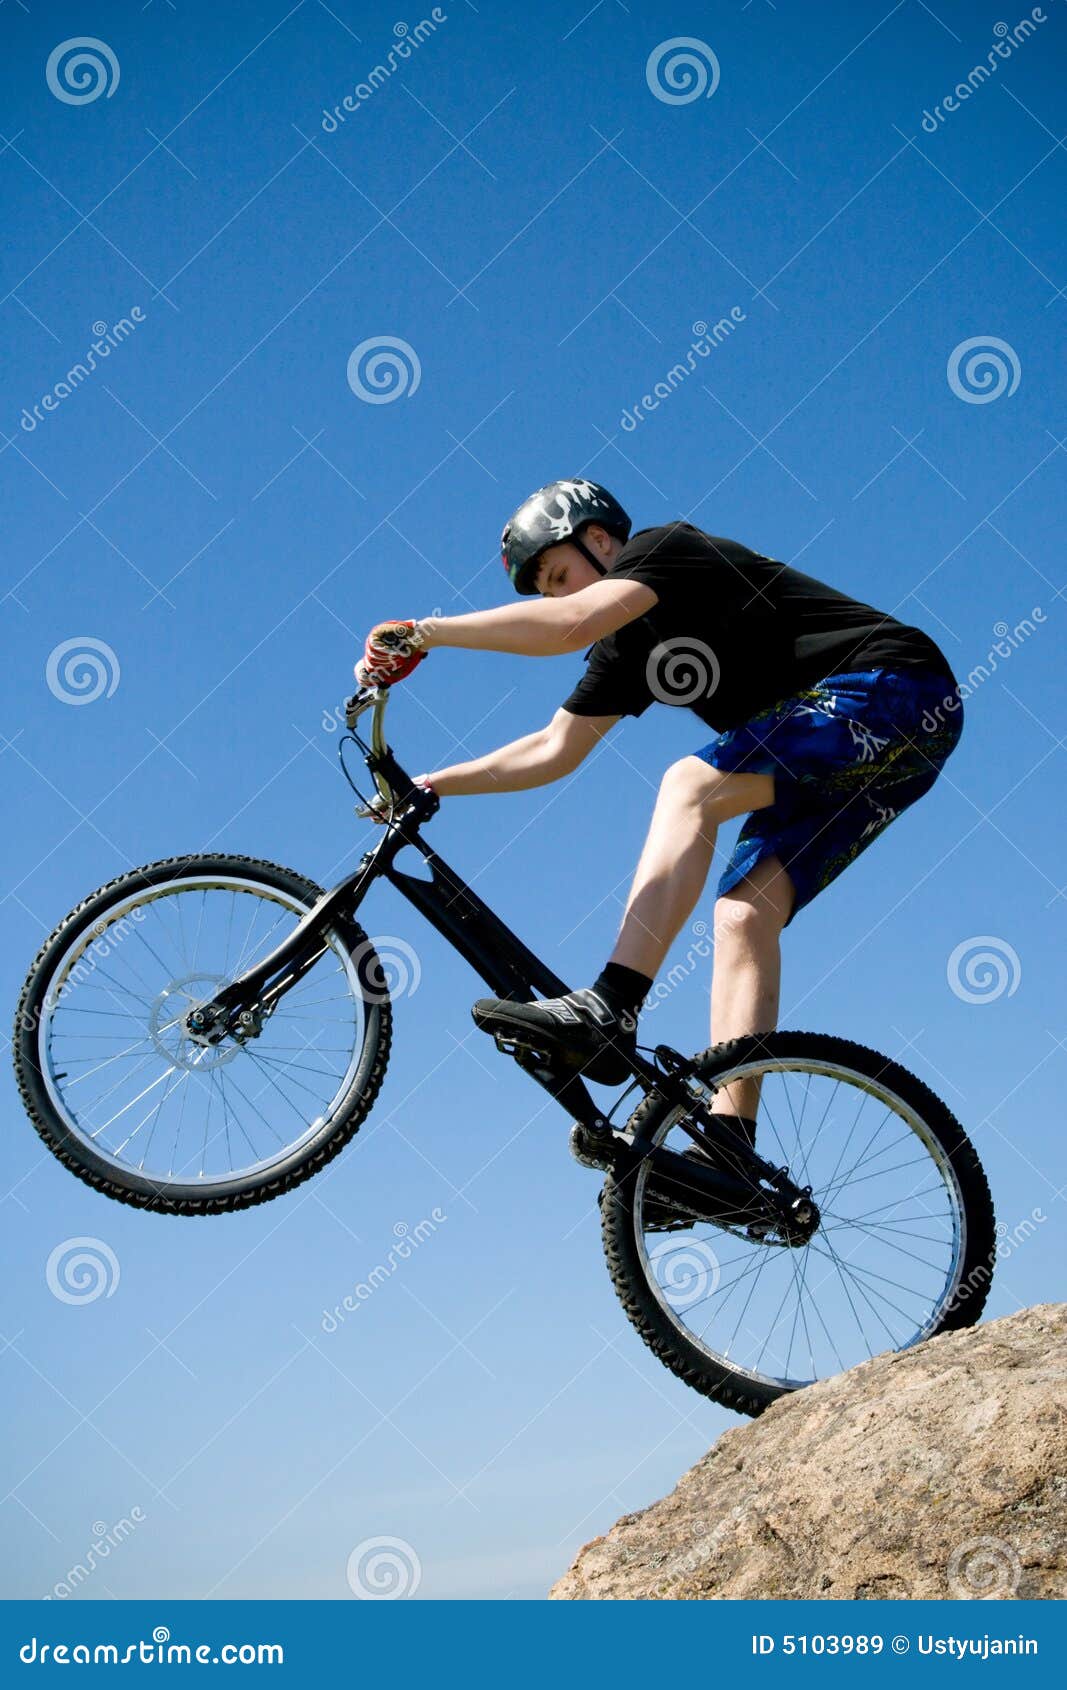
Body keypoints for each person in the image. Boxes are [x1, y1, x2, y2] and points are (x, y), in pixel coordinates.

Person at [356, 478, 963, 1144]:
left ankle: (610, 1004)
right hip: (865, 763)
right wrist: (432, 784)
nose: (558, 595)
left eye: (559, 574)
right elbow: (554, 749)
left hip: (892, 690)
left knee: (688, 785)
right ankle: (733, 1148)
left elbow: (569, 626)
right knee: (742, 914)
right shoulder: (622, 648)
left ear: (598, 539)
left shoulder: (665, 549)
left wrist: (426, 633)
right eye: (547, 589)